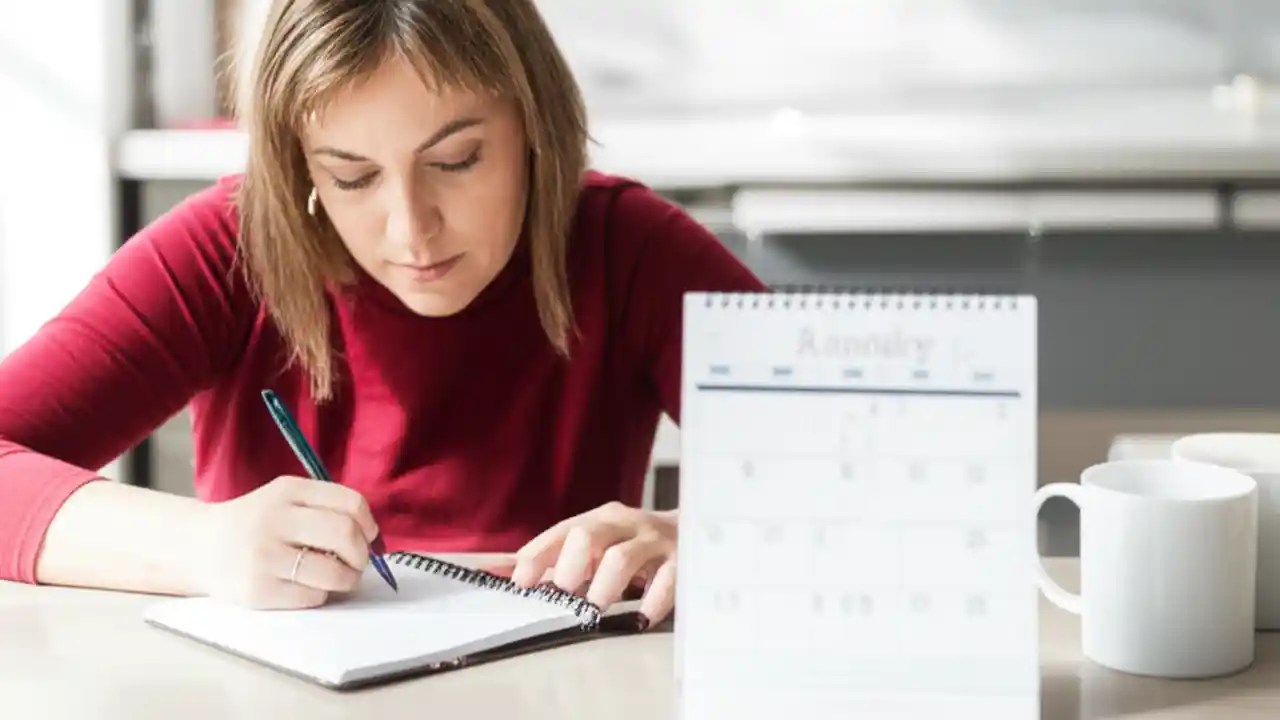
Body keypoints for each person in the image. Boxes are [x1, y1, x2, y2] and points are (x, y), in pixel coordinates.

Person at [0, 0, 763, 628]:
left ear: (534, 129)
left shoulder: (626, 246)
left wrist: (705, 532)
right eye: (352, 176)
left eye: (456, 162)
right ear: (301, 165)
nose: (410, 229)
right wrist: (202, 545)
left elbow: (869, 461)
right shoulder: (229, 247)